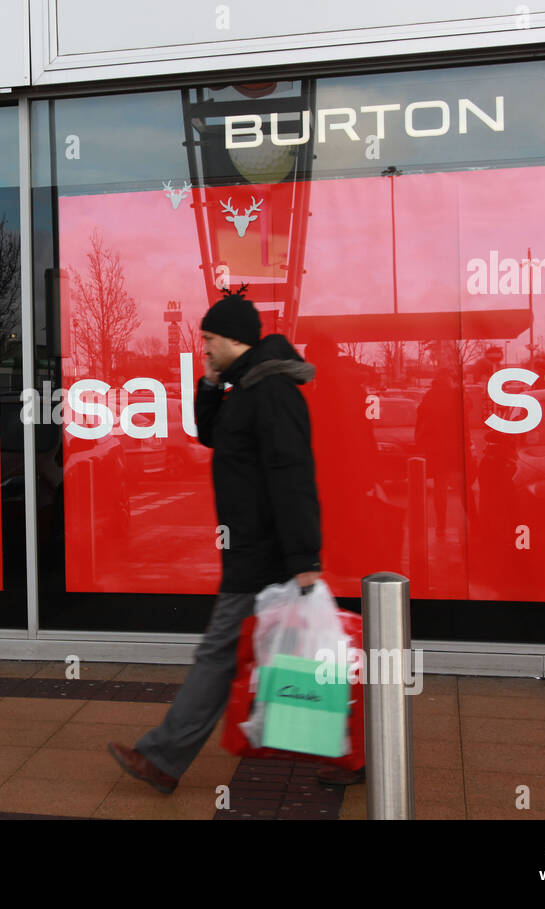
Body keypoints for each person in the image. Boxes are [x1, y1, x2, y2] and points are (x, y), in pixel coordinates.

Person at [108, 286, 346, 793]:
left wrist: (304, 557)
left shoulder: (273, 393)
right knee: (293, 652)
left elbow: (292, 474)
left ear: (236, 339)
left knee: (223, 652)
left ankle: (164, 759)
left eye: (211, 338)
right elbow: (214, 434)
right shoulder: (248, 389)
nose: (205, 347)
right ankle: (351, 751)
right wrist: (211, 384)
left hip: (264, 554)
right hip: (252, 549)